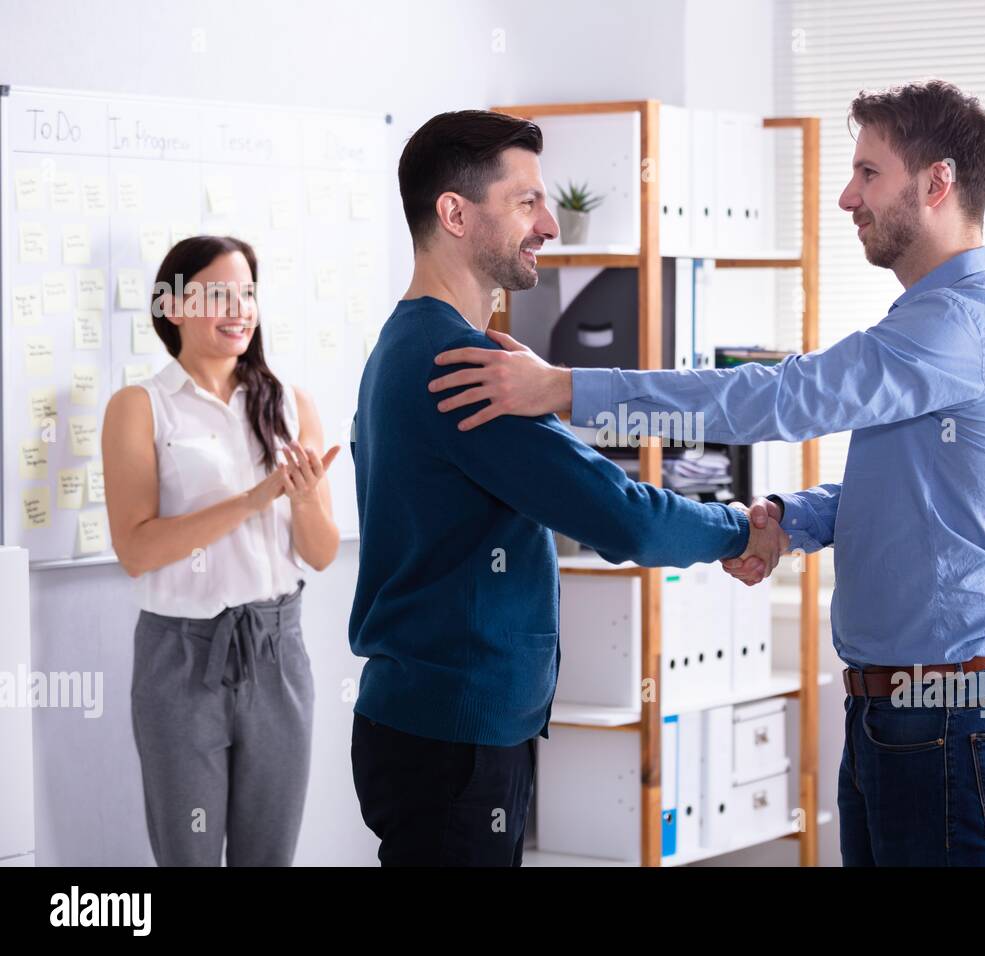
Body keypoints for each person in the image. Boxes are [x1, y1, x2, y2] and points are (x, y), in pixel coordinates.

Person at [427, 80, 985, 866]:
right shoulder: (936, 319)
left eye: (868, 173)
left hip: (947, 708)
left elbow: (784, 397)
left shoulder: (956, 322)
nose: (846, 198)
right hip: (899, 706)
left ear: (936, 183)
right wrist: (789, 519)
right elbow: (911, 499)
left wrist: (571, 388)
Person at [348, 110, 786, 867]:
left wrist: (552, 398)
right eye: (526, 202)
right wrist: (743, 531)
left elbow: (551, 483)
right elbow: (621, 519)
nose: (549, 222)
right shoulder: (457, 368)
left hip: (429, 727)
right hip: (456, 739)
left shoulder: (416, 342)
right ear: (454, 213)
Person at [103, 235, 341, 866]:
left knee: (268, 856)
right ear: (172, 306)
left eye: (247, 293)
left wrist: (309, 497)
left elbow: (319, 555)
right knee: (189, 855)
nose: (238, 308)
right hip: (181, 659)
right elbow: (136, 549)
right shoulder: (140, 407)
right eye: (216, 293)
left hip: (277, 650)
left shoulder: (290, 403)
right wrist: (251, 500)